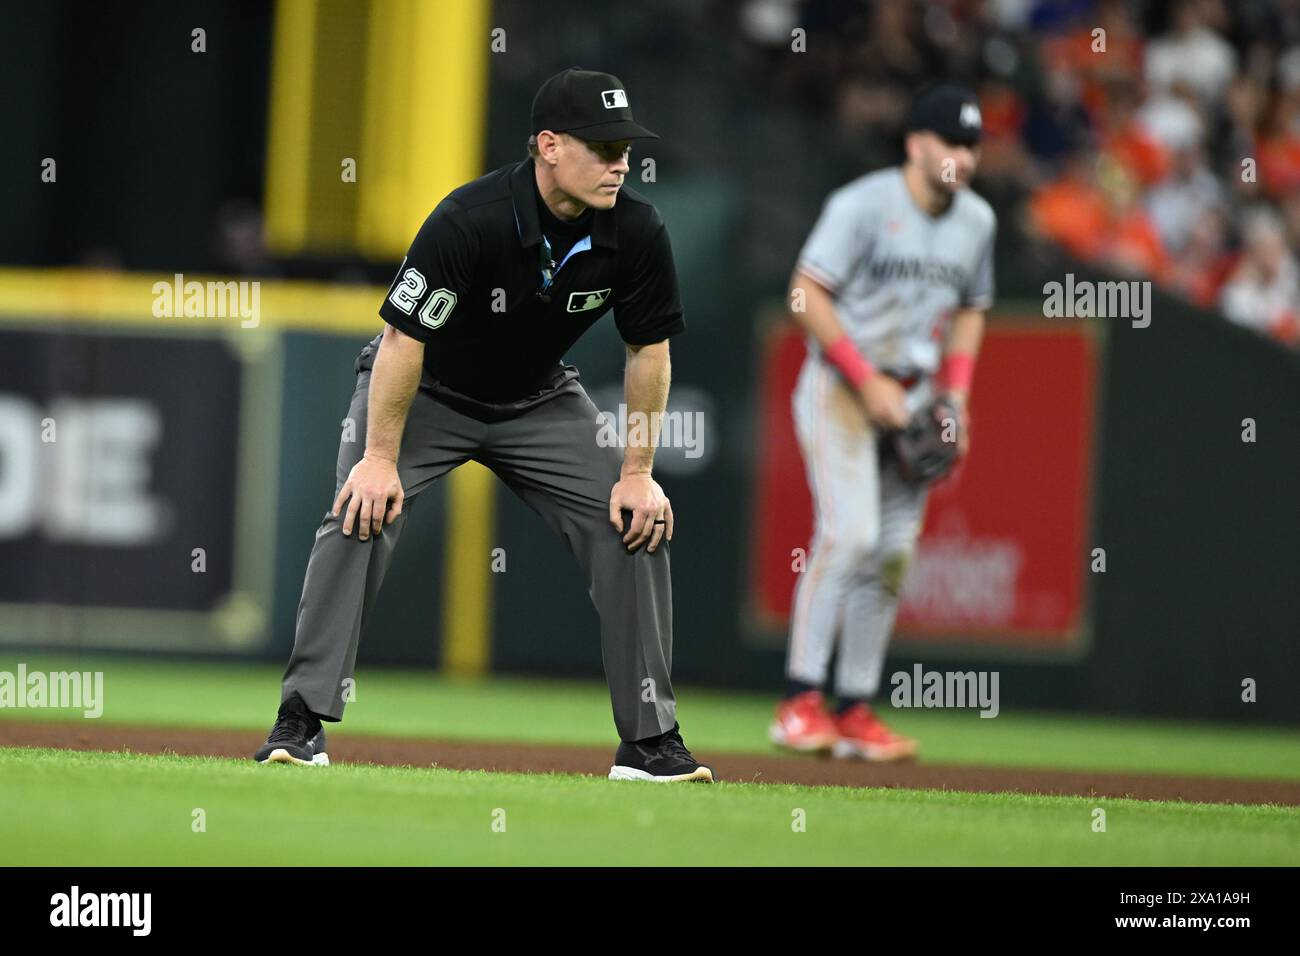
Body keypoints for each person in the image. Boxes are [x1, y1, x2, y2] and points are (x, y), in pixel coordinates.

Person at [254, 68, 715, 783]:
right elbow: (404, 341)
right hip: (428, 390)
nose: (621, 161)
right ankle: (301, 721)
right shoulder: (470, 218)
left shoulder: (637, 230)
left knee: (635, 523)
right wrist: (379, 458)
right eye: (603, 146)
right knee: (359, 510)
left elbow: (647, 349)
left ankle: (650, 743)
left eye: (625, 146)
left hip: (539, 400)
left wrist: (637, 474)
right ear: (549, 146)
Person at [772, 85, 997, 760]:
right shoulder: (862, 205)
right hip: (843, 386)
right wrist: (864, 378)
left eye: (971, 145)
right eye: (949, 141)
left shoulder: (977, 222)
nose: (961, 155)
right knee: (850, 534)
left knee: (894, 554)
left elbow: (971, 309)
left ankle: (856, 709)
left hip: (916, 402)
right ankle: (798, 702)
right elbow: (803, 291)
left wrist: (955, 396)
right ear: (915, 144)